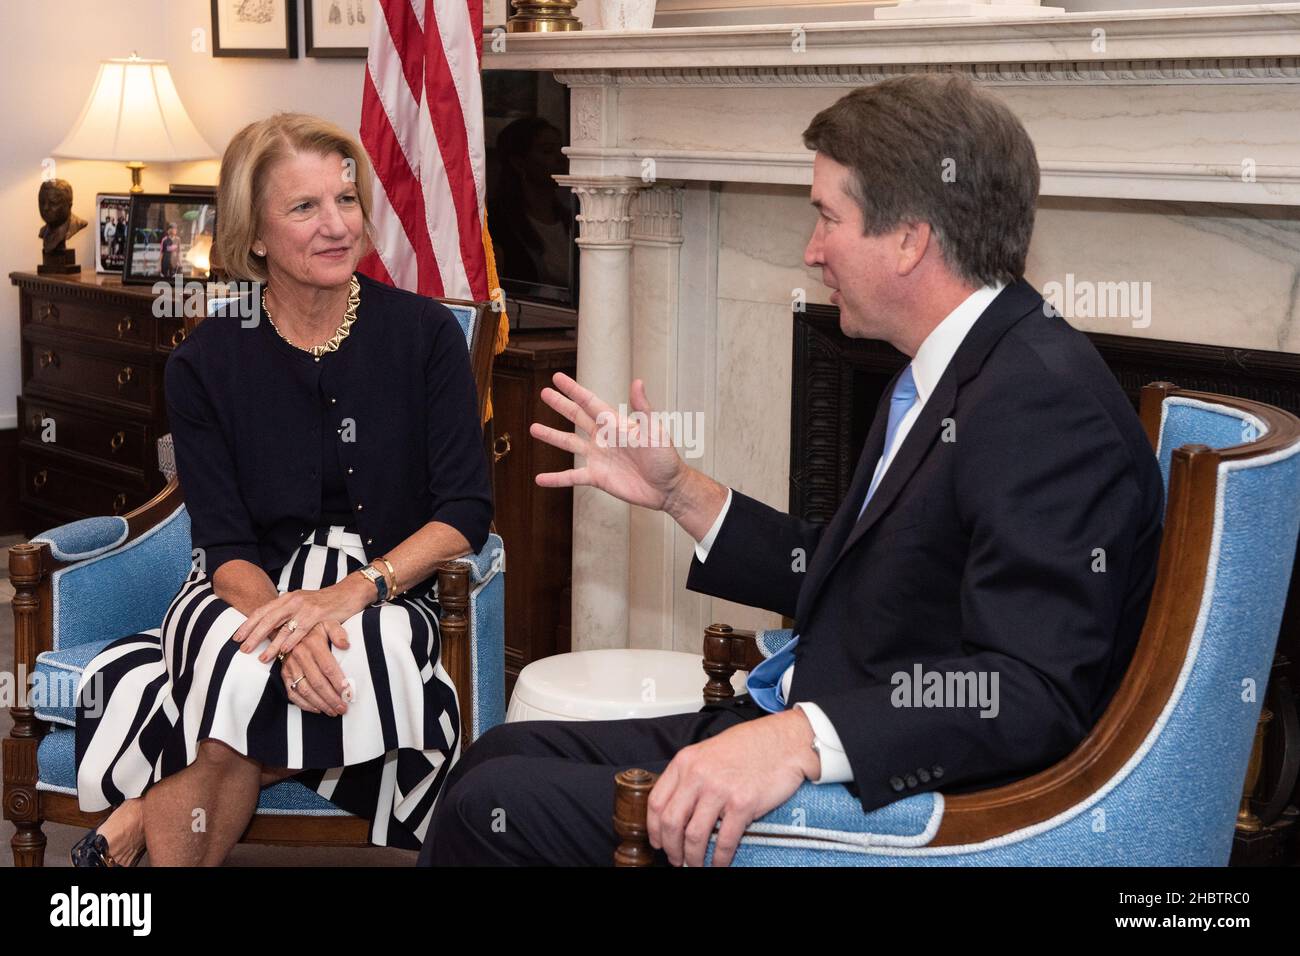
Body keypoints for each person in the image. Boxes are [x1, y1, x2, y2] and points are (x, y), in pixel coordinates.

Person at [418, 73, 1164, 868]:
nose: (811, 250)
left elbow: (1030, 692)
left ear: (910, 239)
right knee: (494, 756)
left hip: (884, 787)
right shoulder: (953, 365)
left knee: (485, 807)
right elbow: (859, 575)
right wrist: (679, 491)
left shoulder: (1042, 406)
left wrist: (796, 739)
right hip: (805, 710)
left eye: (826, 217)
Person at [71, 112, 492, 866]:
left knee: (261, 690)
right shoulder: (205, 362)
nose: (337, 226)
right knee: (237, 661)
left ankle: (137, 812)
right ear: (255, 235)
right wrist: (286, 625)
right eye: (305, 208)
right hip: (243, 586)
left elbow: (465, 510)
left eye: (346, 200)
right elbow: (224, 543)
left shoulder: (423, 336)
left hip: (387, 586)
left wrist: (349, 594)